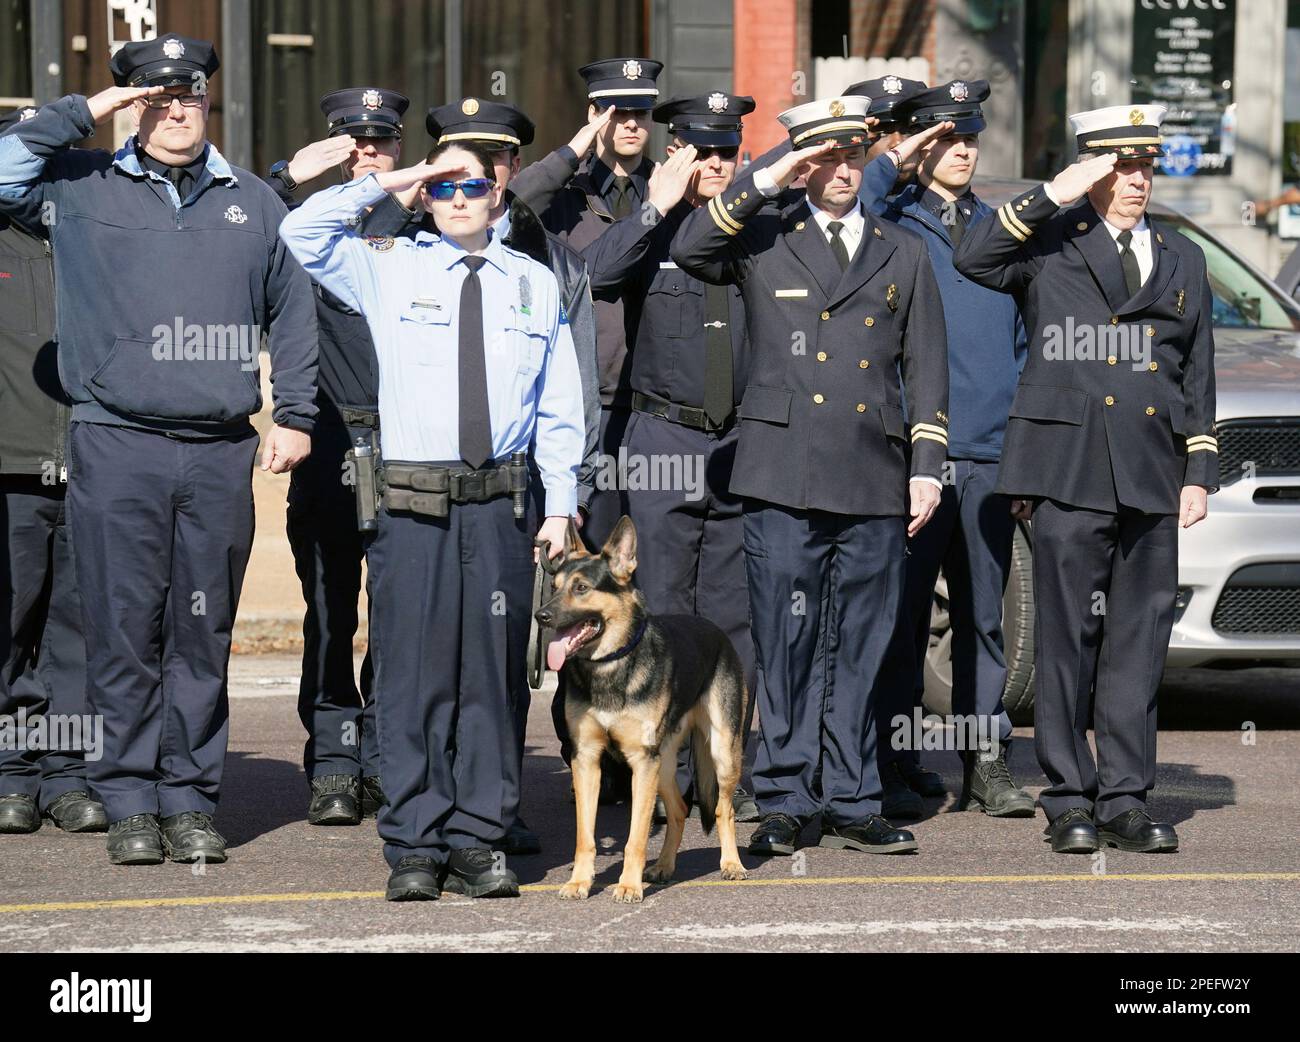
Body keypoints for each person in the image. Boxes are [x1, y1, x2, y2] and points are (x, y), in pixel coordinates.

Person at [0, 35, 318, 866]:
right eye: (157, 96)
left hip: (217, 451)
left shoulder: (251, 200)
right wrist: (84, 112)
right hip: (117, 443)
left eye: (192, 95)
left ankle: (190, 799)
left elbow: (291, 312)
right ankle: (131, 799)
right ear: (133, 106)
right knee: (122, 631)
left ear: (212, 103)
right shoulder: (77, 187)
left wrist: (296, 413)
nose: (178, 109)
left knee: (201, 633)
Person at [280, 140, 584, 901]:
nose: (455, 198)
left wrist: (561, 505)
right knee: (414, 677)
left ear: (498, 195)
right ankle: (414, 842)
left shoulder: (533, 283)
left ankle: (479, 837)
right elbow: (302, 235)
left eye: (471, 185)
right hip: (413, 508)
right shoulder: (387, 265)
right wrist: (399, 178)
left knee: (492, 679)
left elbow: (559, 403)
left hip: (502, 508)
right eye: (442, 186)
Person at [672, 96, 949, 857]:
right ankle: (789, 792)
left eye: (851, 157)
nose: (840, 171)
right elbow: (696, 247)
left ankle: (854, 794)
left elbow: (926, 371)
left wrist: (927, 469)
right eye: (823, 159)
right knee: (787, 638)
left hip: (871, 470)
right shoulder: (766, 237)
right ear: (803, 165)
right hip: (783, 469)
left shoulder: (903, 250)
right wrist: (765, 181)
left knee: (861, 641)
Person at [954, 104, 1218, 854]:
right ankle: (1069, 795)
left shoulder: (1180, 257)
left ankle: (1128, 796)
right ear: (1093, 172)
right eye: (1119, 168)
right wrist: (1055, 191)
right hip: (1068, 468)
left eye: (1144, 168)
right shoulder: (1050, 244)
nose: (1135, 180)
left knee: (1139, 639)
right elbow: (976, 256)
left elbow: (1194, 372)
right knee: (1067, 639)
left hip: (1149, 469)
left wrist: (1198, 468)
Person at [414, 96, 602, 855]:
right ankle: (419, 808)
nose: (476, 176)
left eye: (492, 161)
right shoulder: (407, 237)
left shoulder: (552, 259)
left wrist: (569, 491)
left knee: (506, 656)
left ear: (512, 169)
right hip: (417, 483)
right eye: (457, 161)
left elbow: (575, 378)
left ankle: (493, 807)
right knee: (420, 657)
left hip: (517, 485)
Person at [582, 92, 761, 821]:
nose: (716, 164)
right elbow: (593, 274)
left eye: (727, 152)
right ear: (678, 153)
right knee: (658, 616)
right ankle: (652, 781)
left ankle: (724, 782)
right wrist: (653, 208)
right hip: (661, 440)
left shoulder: (757, 226)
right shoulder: (647, 228)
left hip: (741, 440)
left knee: (730, 622)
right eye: (702, 152)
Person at [880, 80, 1033, 819]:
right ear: (917, 145)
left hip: (990, 455)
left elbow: (1027, 345)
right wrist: (895, 160)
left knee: (983, 615)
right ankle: (898, 759)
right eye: (944, 138)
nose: (962, 149)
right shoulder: (891, 221)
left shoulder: (1002, 231)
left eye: (970, 137)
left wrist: (1023, 451)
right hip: (916, 460)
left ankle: (987, 759)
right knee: (904, 614)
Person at [263, 87, 410, 827]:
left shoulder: (421, 225)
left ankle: (382, 755)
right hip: (326, 440)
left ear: (398, 149)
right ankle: (332, 761)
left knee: (397, 611)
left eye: (380, 142)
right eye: (353, 143)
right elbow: (236, 230)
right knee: (328, 609)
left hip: (404, 441)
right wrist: (287, 174)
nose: (367, 154)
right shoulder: (296, 225)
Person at [0, 107, 105, 836]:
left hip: (98, 464)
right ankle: (10, 771)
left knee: (80, 628)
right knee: (9, 624)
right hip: (8, 464)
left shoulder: (96, 238)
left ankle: (68, 773)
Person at [511, 57, 664, 549]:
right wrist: (571, 151)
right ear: (595, 115)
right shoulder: (563, 190)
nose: (632, 124)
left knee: (645, 558)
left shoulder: (669, 186)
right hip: (580, 399)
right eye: (619, 113)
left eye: (642, 113)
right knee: (575, 553)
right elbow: (509, 207)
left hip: (652, 406)